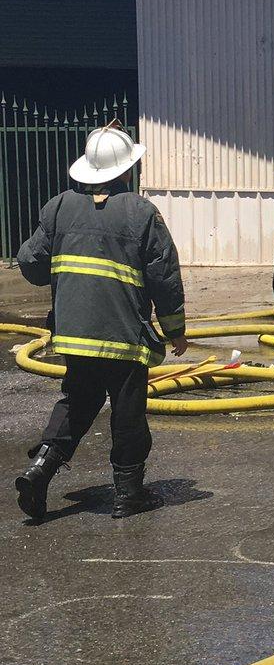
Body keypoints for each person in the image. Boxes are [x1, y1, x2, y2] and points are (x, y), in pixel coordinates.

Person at [15, 124, 187, 521]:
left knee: (77, 402)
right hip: (123, 337)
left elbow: (30, 261)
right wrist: (175, 330)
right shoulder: (141, 213)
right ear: (127, 170)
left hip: (74, 335)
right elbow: (165, 276)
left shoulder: (58, 207)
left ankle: (39, 469)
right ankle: (128, 494)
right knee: (127, 413)